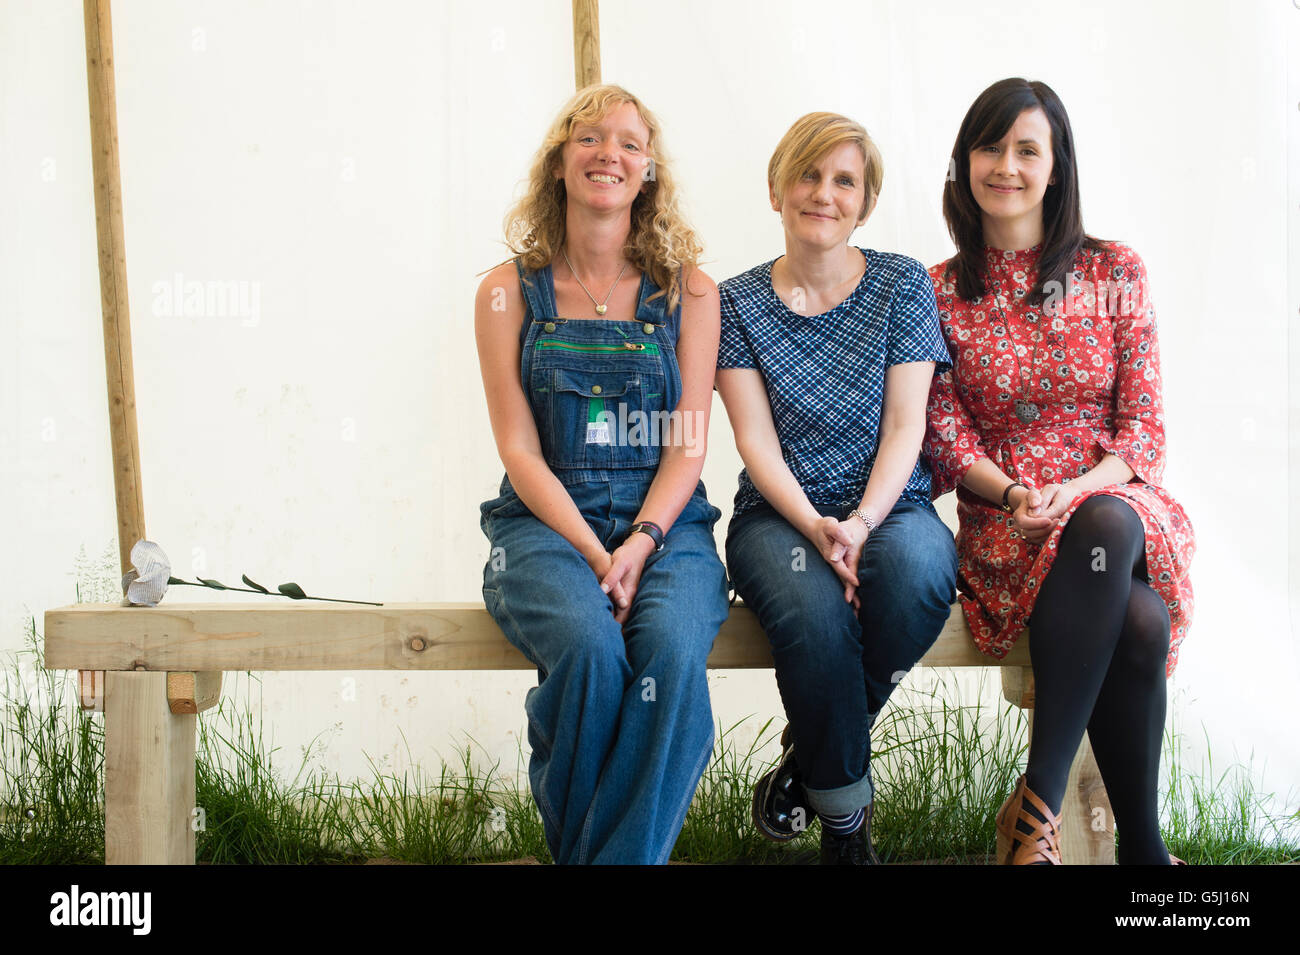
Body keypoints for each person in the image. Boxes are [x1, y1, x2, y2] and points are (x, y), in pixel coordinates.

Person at [924, 77, 1196, 865]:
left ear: (1056, 166)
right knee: (1138, 621)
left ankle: (1032, 811)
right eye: (989, 145)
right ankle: (1143, 856)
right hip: (1008, 524)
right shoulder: (937, 291)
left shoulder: (1115, 271)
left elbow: (1143, 425)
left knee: (1105, 520)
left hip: (1115, 502)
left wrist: (1077, 489)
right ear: (965, 161)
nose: (1005, 165)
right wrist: (1014, 495)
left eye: (1027, 149)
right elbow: (944, 426)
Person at [474, 84, 729, 864]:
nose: (608, 154)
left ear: (648, 169)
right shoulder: (504, 292)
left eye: (627, 142)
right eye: (588, 138)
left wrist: (642, 541)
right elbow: (518, 449)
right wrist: (594, 553)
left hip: (668, 525)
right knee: (588, 652)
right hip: (545, 526)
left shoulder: (689, 291)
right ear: (559, 162)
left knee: (674, 657)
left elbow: (688, 444)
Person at [715, 112, 958, 865]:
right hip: (778, 516)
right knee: (816, 618)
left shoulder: (901, 283)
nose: (824, 193)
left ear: (865, 201)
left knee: (920, 572)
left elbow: (905, 429)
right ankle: (849, 840)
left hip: (890, 504)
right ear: (776, 189)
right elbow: (755, 442)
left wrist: (856, 523)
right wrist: (818, 525)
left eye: (844, 180)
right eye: (808, 175)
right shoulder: (734, 302)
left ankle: (805, 763)